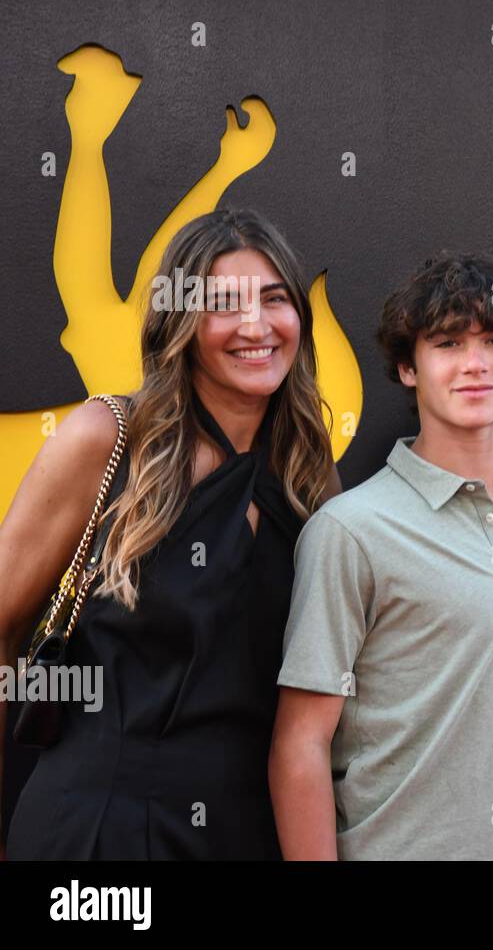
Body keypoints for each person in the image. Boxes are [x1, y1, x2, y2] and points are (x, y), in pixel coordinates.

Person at [0, 209, 340, 859]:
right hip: (101, 831)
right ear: (179, 321)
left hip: (247, 832)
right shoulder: (107, 440)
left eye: (275, 300)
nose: (255, 326)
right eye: (223, 304)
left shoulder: (307, 474)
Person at [270, 253, 493, 860]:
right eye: (448, 343)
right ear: (408, 367)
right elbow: (298, 746)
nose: (475, 364)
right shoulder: (350, 531)